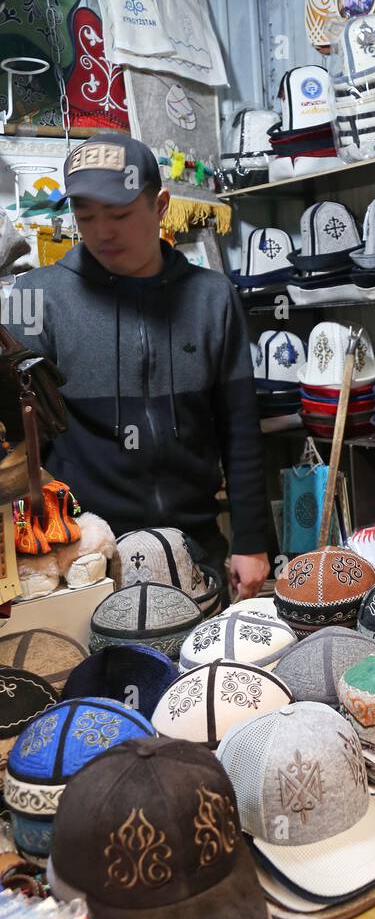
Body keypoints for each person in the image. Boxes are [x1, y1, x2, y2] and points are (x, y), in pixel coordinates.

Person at [5, 136, 270, 600]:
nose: (103, 231)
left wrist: (252, 541)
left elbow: (241, 428)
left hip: (197, 547)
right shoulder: (36, 298)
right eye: (86, 216)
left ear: (160, 205)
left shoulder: (212, 298)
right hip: (86, 557)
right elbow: (18, 440)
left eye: (121, 214)